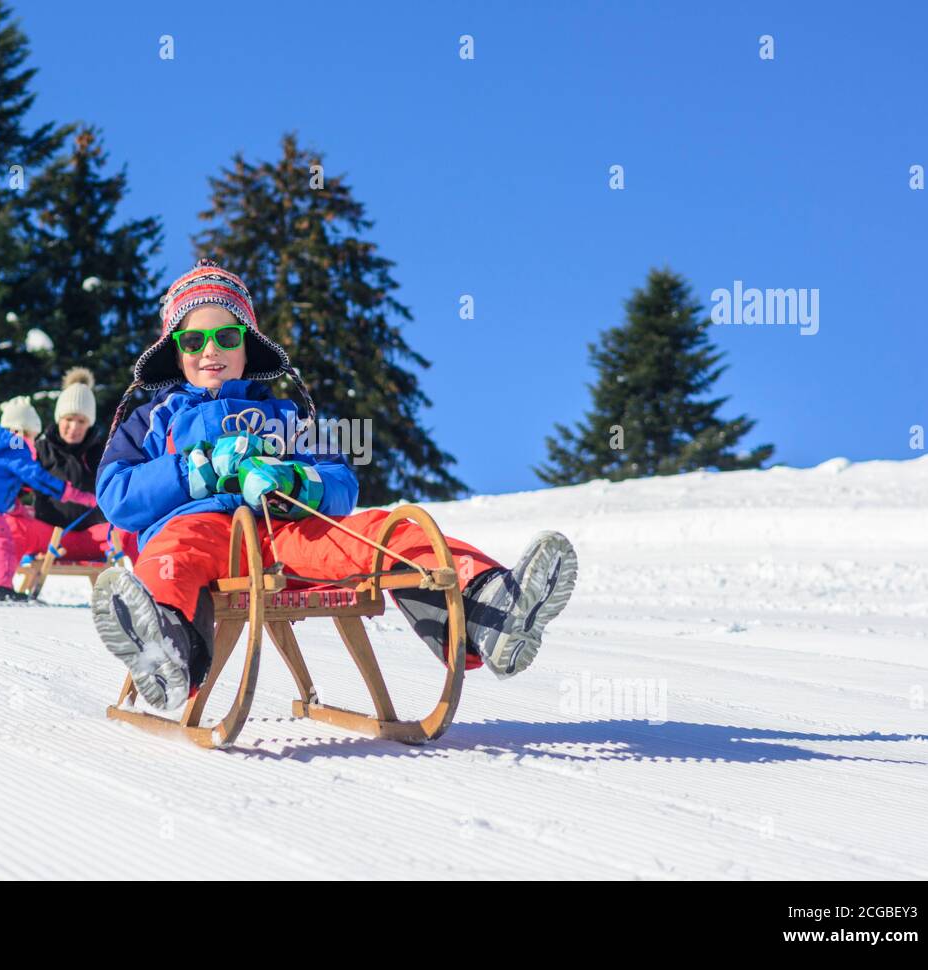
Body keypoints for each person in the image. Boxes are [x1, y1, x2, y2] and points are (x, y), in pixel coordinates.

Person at [90, 259, 578, 711]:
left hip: (284, 532)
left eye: (226, 336)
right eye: (193, 342)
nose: (210, 350)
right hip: (198, 530)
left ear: (248, 344)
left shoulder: (284, 415)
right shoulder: (152, 420)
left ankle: (489, 607)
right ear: (176, 353)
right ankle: (165, 647)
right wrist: (194, 472)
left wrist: (295, 479)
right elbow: (116, 494)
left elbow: (342, 481)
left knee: (380, 532)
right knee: (170, 559)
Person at [0, 396, 99, 601]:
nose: (33, 444)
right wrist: (75, 495)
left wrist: (17, 510)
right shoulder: (15, 443)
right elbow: (37, 477)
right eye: (33, 437)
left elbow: (1, 483)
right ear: (23, 431)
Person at [6, 367, 137, 564]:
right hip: (49, 537)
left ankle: (148, 587)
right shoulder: (41, 450)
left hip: (93, 537)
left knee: (137, 526)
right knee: (9, 524)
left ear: (89, 423)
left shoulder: (103, 453)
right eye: (68, 419)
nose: (74, 427)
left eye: (81, 421)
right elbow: (17, 483)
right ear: (59, 418)